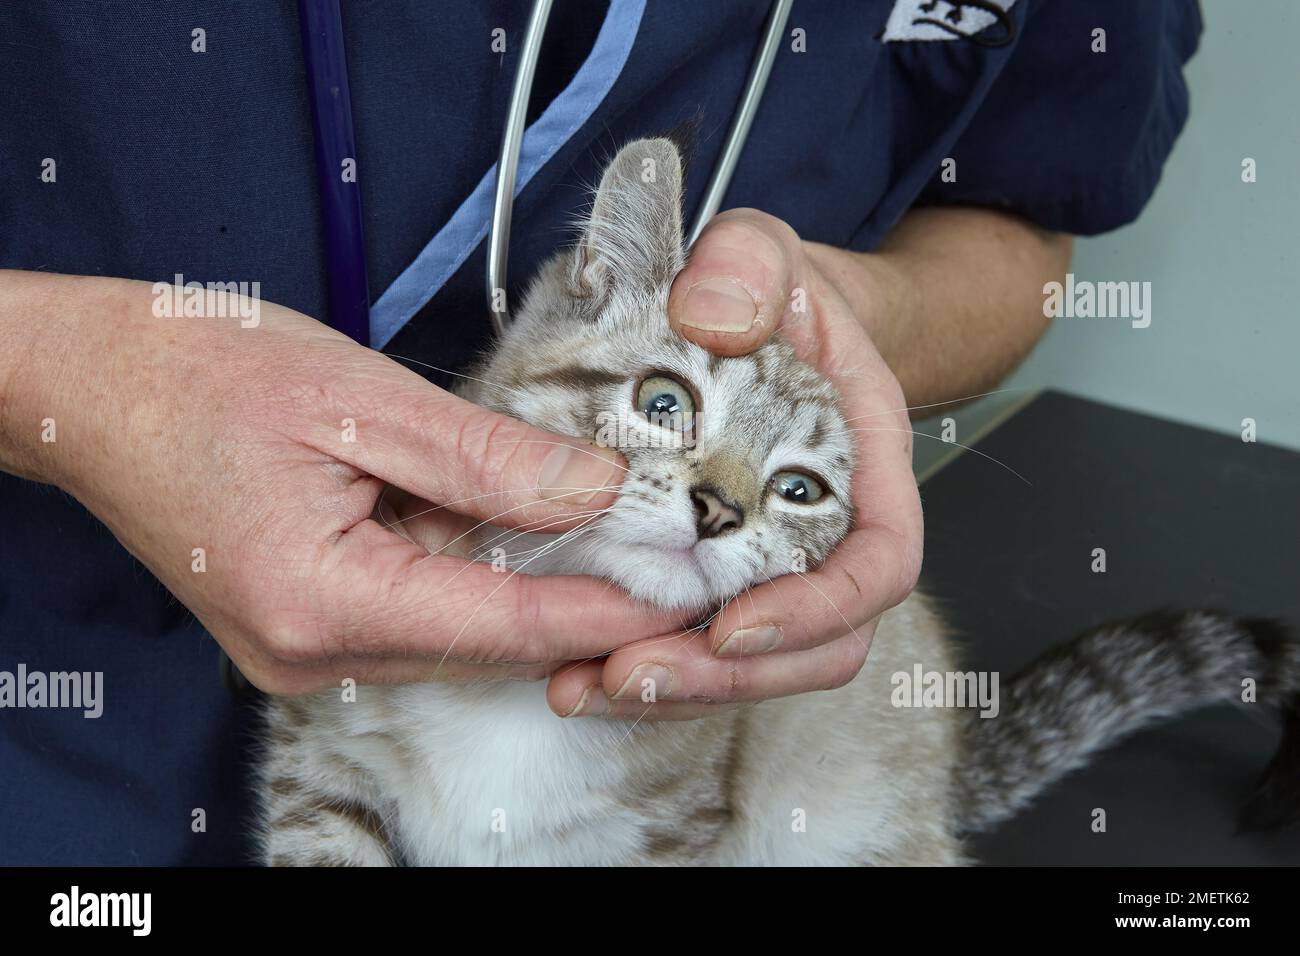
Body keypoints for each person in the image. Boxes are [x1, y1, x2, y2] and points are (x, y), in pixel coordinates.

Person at [0, 1, 1201, 864]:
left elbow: (1025, 211)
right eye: (670, 407)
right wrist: (44, 371)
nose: (717, 498)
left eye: (780, 489)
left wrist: (864, 317)